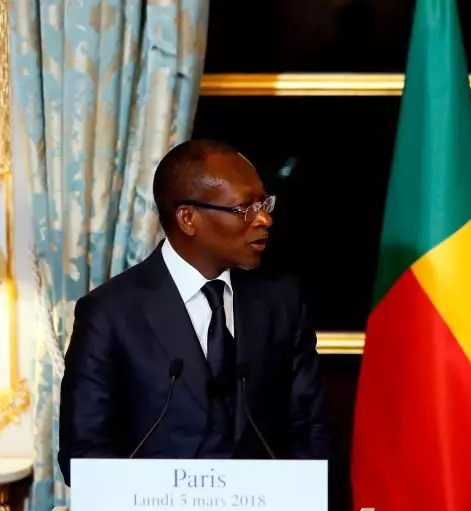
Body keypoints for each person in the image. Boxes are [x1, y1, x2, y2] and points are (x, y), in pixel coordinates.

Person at [58, 139, 330, 485]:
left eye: (264, 202)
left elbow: (308, 427)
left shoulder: (281, 300)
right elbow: (83, 455)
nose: (264, 219)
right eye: (245, 208)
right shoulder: (109, 314)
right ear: (188, 218)